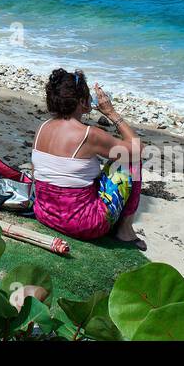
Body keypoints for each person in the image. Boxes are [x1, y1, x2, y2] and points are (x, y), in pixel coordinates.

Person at [30, 69, 145, 249]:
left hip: (44, 213)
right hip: (83, 225)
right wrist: (112, 113)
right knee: (131, 160)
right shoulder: (88, 135)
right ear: (82, 101)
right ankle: (125, 231)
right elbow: (138, 149)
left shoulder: (42, 128)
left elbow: (37, 174)